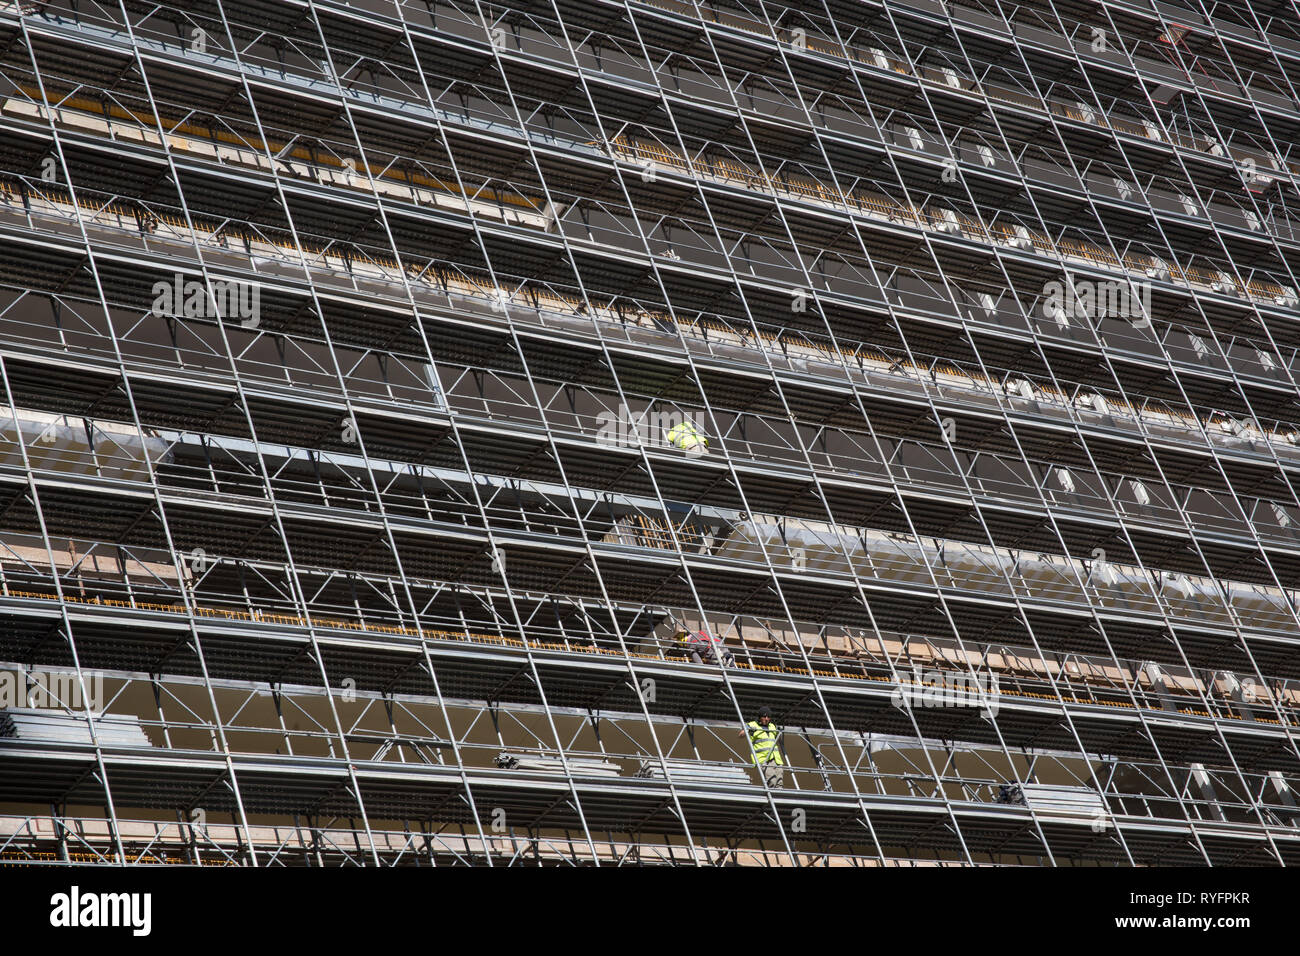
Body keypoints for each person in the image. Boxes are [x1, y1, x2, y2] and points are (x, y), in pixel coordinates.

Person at [744, 706, 784, 789]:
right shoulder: (752, 725)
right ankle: (771, 798)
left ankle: (778, 799)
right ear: (760, 717)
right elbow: (740, 734)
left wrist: (780, 732)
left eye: (768, 717)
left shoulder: (772, 726)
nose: (766, 719)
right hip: (763, 759)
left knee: (779, 782)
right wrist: (748, 730)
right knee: (772, 781)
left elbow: (780, 739)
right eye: (764, 716)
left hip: (776, 759)